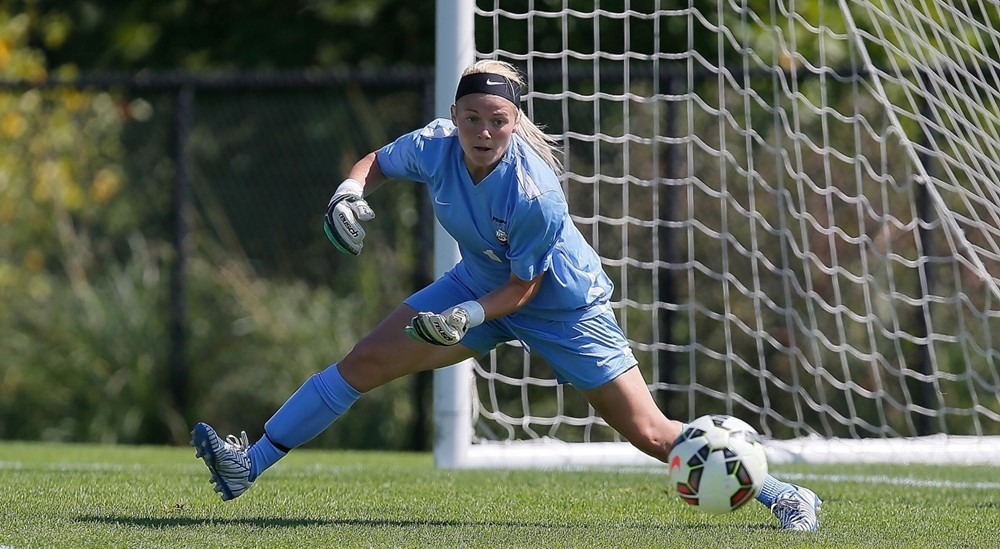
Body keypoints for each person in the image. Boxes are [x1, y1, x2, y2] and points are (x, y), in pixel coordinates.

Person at [190, 59, 822, 531]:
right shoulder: (437, 144)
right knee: (364, 360)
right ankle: (250, 464)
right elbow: (376, 162)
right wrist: (350, 190)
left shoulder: (534, 193)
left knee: (653, 435)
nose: (482, 131)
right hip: (480, 284)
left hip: (561, 306)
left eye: (496, 122)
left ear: (514, 123)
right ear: (456, 116)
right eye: (472, 119)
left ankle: (784, 495)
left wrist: (465, 315)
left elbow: (527, 286)